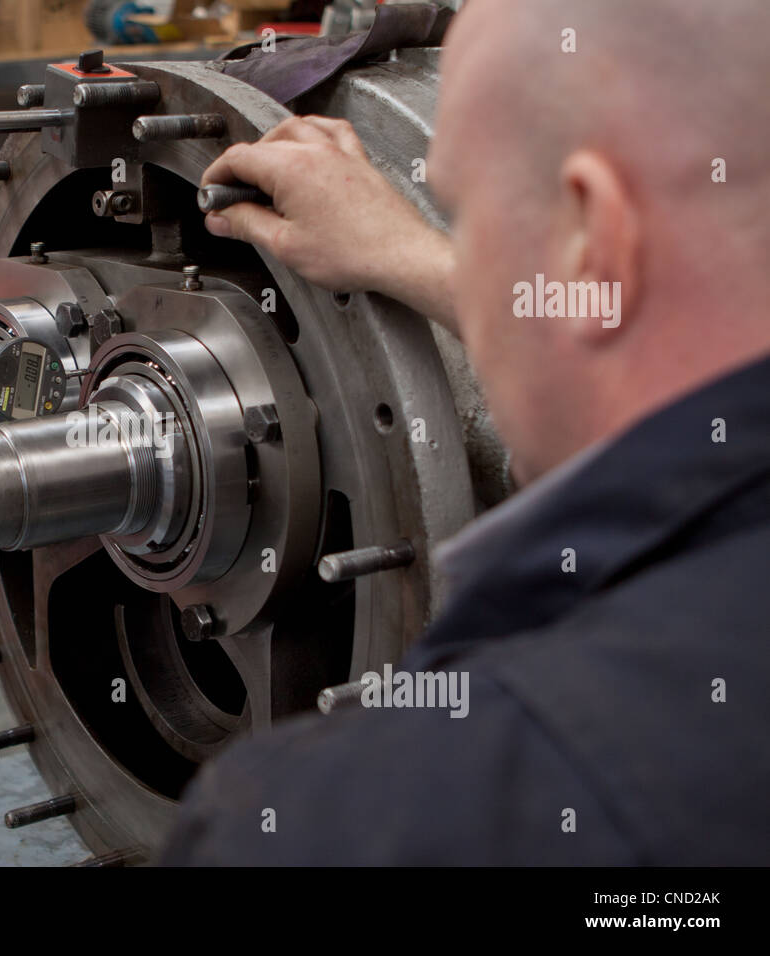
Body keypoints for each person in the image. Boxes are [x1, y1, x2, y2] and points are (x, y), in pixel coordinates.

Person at [162, 0, 770, 864]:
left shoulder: (376, 819)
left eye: (465, 215)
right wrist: (405, 252)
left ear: (590, 241)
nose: (458, 250)